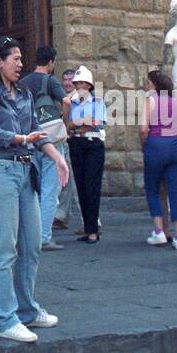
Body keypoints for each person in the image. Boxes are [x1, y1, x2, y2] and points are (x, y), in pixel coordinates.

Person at [0, 35, 69, 342]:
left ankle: (27, 310)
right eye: (14, 58)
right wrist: (19, 140)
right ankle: (4, 319)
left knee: (32, 245)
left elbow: (36, 133)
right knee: (5, 248)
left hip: (27, 171)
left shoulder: (25, 92)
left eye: (20, 58)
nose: (20, 63)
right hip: (2, 170)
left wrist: (56, 158)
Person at [20, 47, 72, 252]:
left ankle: (29, 233)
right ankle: (43, 237)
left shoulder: (22, 82)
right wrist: (64, 122)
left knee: (32, 188)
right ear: (51, 62)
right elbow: (67, 101)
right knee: (50, 190)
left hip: (31, 139)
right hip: (52, 140)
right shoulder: (49, 80)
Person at [139, 68, 177, 249]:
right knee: (176, 191)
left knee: (152, 188)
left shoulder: (150, 101)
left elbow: (143, 128)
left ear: (155, 85)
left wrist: (144, 144)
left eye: (148, 83)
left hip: (156, 145)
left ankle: (159, 232)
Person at [68, 66, 107, 243]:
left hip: (93, 143)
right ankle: (87, 227)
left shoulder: (97, 102)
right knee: (81, 186)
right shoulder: (72, 102)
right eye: (77, 83)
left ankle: (93, 230)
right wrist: (81, 123)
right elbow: (67, 124)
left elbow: (96, 123)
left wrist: (77, 124)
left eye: (83, 83)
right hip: (76, 143)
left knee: (92, 186)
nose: (79, 86)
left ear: (89, 85)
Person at [52, 67, 79, 232]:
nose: (67, 82)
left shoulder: (79, 99)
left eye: (71, 79)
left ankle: (91, 221)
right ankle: (61, 215)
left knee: (76, 183)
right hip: (64, 142)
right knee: (66, 181)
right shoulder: (61, 98)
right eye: (65, 79)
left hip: (75, 142)